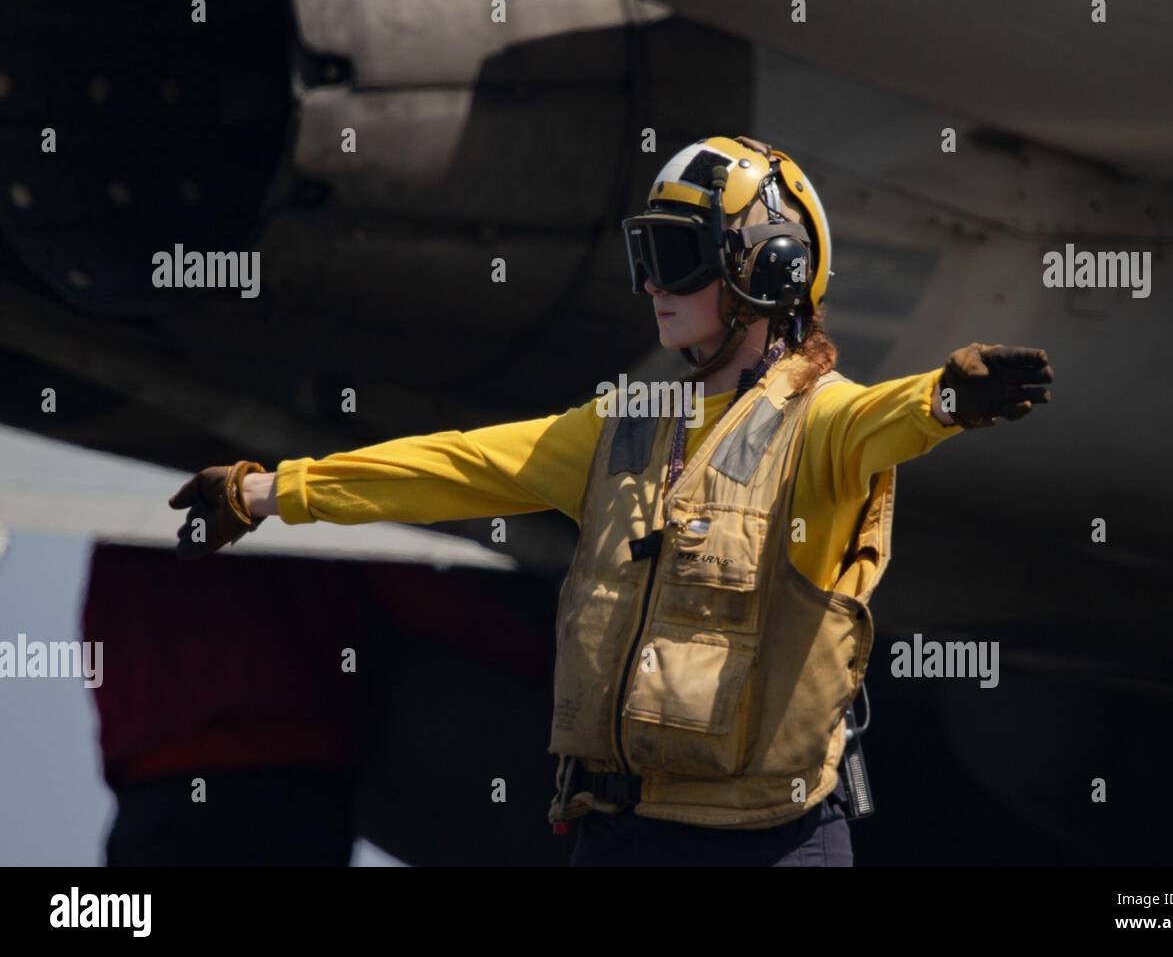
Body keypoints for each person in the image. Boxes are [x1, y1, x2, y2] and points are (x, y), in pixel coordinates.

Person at [170, 135, 1053, 867]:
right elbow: (454, 468)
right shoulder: (621, 429)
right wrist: (267, 491)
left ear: (769, 267)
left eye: (674, 259)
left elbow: (888, 417)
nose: (652, 287)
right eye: (646, 257)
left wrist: (949, 398)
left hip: (772, 849)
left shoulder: (823, 427)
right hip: (618, 836)